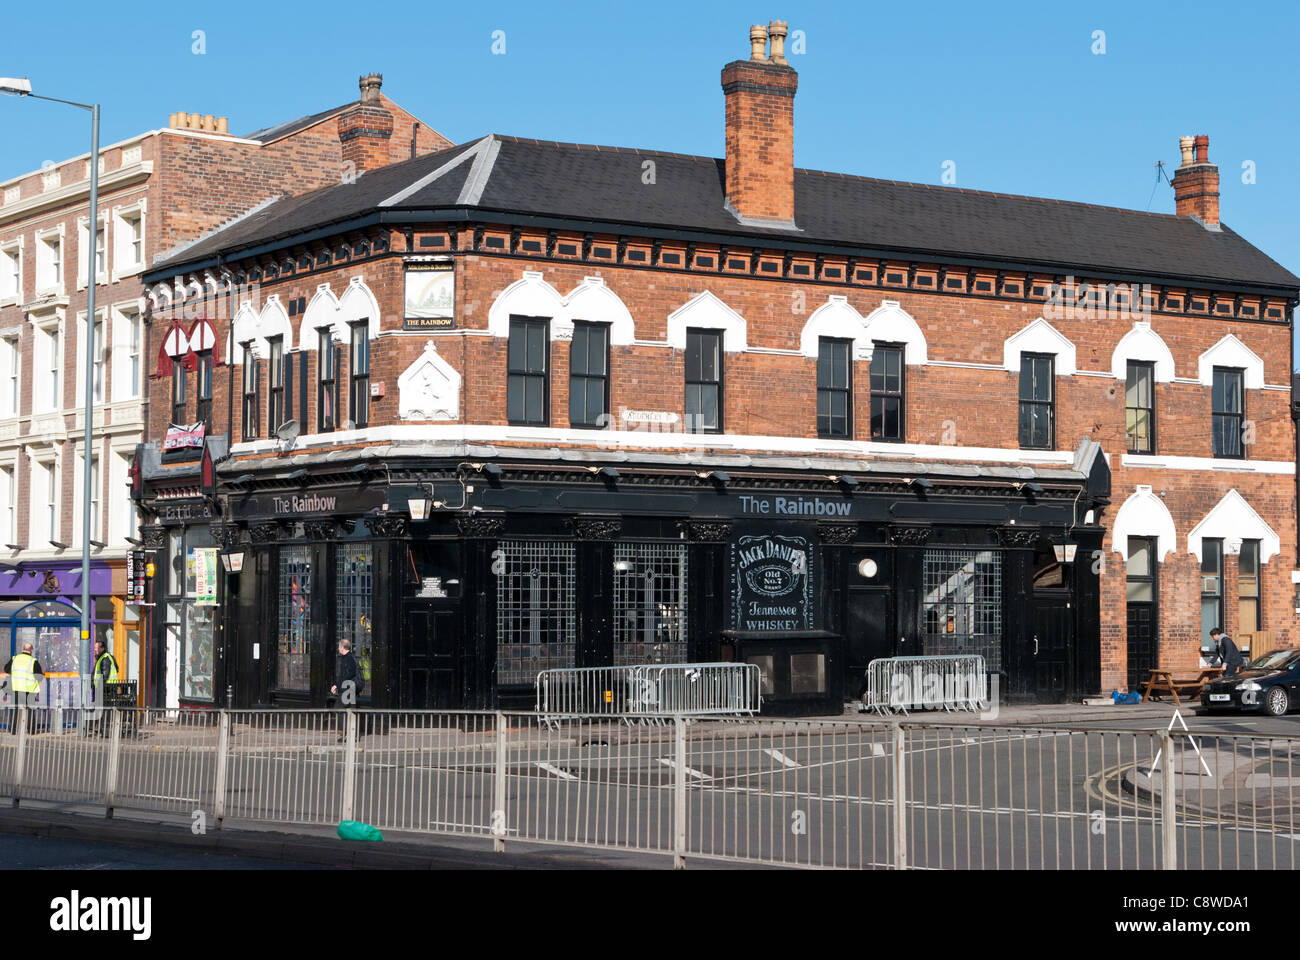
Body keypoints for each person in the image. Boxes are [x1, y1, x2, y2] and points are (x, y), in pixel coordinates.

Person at [1, 642, 45, 736]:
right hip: (29, 690)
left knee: (16, 710)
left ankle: (13, 730)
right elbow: (39, 677)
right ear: (31, 650)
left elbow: (6, 669)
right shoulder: (33, 661)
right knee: (29, 710)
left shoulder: (15, 658)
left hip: (17, 688)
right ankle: (31, 731)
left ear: (23, 649)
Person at [330, 638, 359, 743]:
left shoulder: (348, 658)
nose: (338, 648)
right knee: (349, 710)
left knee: (339, 709)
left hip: (347, 688)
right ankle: (351, 735)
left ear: (342, 647)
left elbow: (347, 675)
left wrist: (336, 685)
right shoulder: (348, 657)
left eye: (339, 646)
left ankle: (347, 734)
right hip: (348, 687)